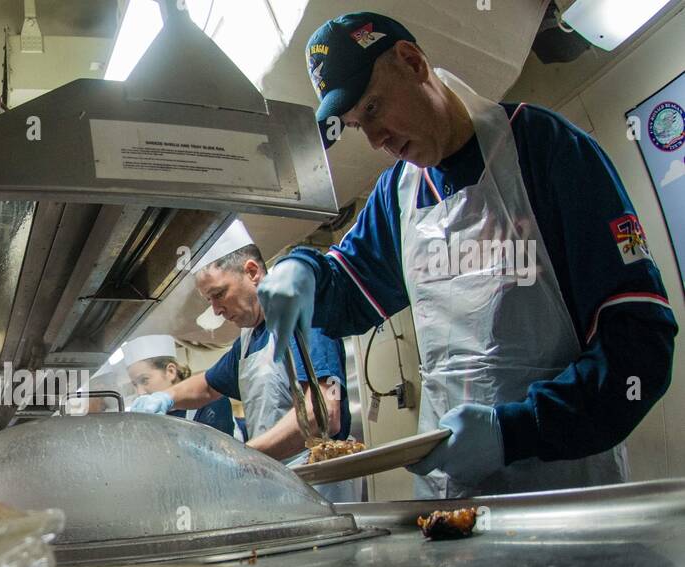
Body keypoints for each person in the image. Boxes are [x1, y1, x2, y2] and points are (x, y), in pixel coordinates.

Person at [254, 11, 677, 498]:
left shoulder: (545, 149)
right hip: (451, 495)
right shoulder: (399, 195)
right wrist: (301, 267)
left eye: (372, 109)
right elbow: (346, 289)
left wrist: (514, 431)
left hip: (562, 491)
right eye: (355, 127)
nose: (376, 142)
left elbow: (640, 349)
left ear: (412, 62)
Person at [130, 221, 361, 501]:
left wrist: (238, 458)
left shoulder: (303, 315)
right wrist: (165, 397)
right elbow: (206, 386)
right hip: (276, 484)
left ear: (252, 272)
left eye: (218, 294)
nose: (216, 309)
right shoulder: (249, 340)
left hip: (318, 487)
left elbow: (323, 414)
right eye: (209, 300)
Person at [121, 334, 235, 437]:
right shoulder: (149, 417)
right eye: (135, 384)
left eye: (144, 380)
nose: (140, 392)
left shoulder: (210, 403)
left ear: (171, 372)